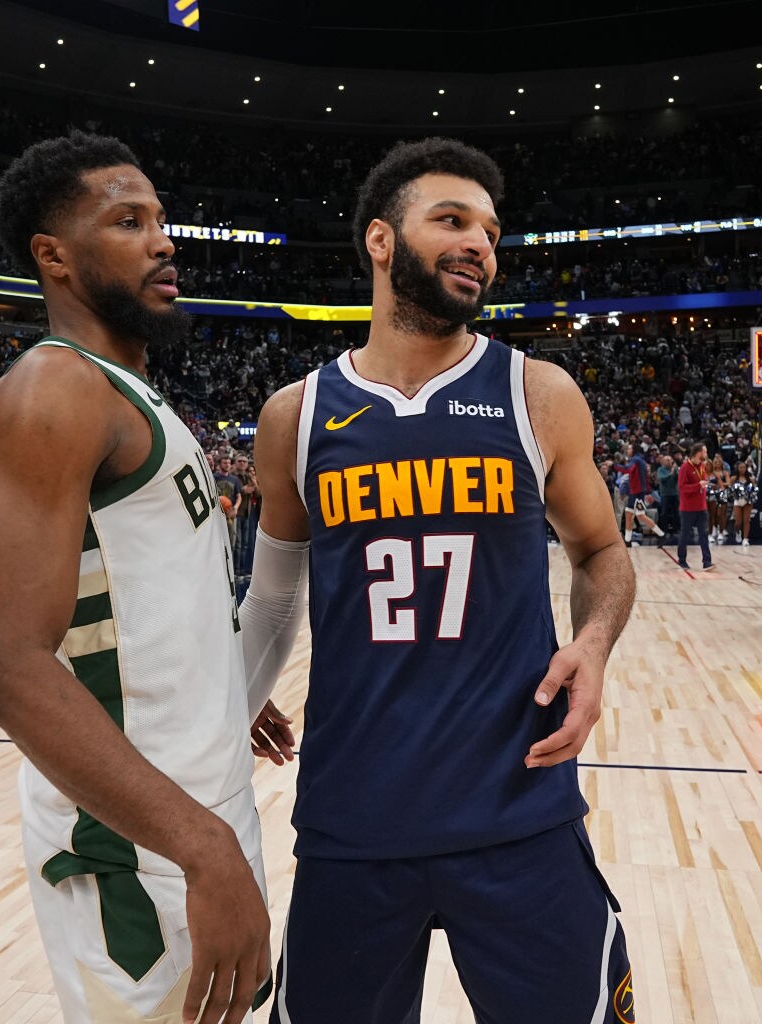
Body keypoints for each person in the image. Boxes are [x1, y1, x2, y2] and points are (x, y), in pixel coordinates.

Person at [240, 137, 637, 1023]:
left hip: (519, 808)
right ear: (381, 241)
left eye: (490, 232)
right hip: (353, 821)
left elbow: (603, 553)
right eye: (451, 221)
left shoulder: (536, 393)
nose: (478, 245)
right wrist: (229, 709)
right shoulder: (296, 417)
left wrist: (593, 646)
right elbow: (271, 595)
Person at [0, 130, 271, 1024]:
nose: (164, 239)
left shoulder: (129, 391)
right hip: (140, 850)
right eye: (129, 221)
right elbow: (6, 667)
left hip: (195, 811)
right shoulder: (51, 392)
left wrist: (225, 690)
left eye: (163, 219)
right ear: (53, 256)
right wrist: (202, 847)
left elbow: (139, 595)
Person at [676, 442, 715, 571]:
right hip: (688, 509)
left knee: (704, 534)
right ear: (698, 453)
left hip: (701, 507)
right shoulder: (685, 467)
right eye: (704, 451)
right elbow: (682, 488)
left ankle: (707, 561)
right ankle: (682, 560)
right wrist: (698, 485)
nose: (706, 454)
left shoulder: (702, 466)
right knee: (685, 535)